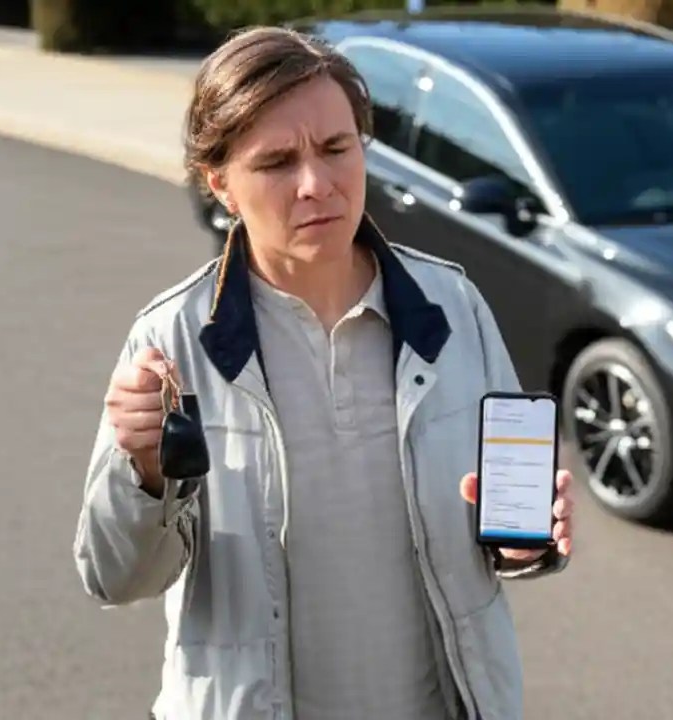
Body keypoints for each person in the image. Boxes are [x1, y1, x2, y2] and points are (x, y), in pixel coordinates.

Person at [72, 25, 574, 720]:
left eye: (337, 149)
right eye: (277, 162)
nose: (317, 185)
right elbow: (113, 576)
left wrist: (526, 541)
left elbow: (502, 537)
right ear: (221, 186)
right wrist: (145, 475)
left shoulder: (452, 307)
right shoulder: (171, 340)